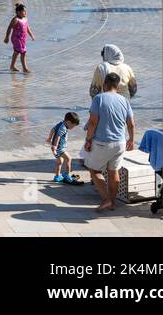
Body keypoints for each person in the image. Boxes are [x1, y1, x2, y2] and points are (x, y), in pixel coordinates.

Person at [83, 71, 136, 211]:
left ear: (104, 85)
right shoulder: (124, 101)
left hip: (102, 142)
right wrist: (132, 140)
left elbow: (93, 122)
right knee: (114, 172)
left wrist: (88, 140)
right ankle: (112, 202)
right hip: (120, 143)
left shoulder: (98, 99)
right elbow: (131, 124)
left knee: (94, 170)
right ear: (117, 87)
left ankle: (106, 199)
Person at [48, 112, 82, 184]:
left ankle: (57, 176)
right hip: (59, 148)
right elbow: (58, 136)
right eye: (73, 126)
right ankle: (67, 175)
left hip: (56, 147)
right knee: (69, 159)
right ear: (69, 122)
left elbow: (52, 129)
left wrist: (49, 138)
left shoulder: (61, 123)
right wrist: (55, 146)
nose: (73, 128)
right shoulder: (63, 128)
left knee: (60, 162)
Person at [4, 2, 34, 73]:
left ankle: (12, 66)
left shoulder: (25, 19)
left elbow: (27, 27)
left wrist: (31, 35)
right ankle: (25, 68)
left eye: (25, 11)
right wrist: (7, 37)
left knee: (16, 52)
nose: (25, 12)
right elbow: (9, 28)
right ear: (18, 12)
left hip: (22, 39)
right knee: (23, 52)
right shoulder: (15, 19)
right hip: (16, 38)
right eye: (24, 11)